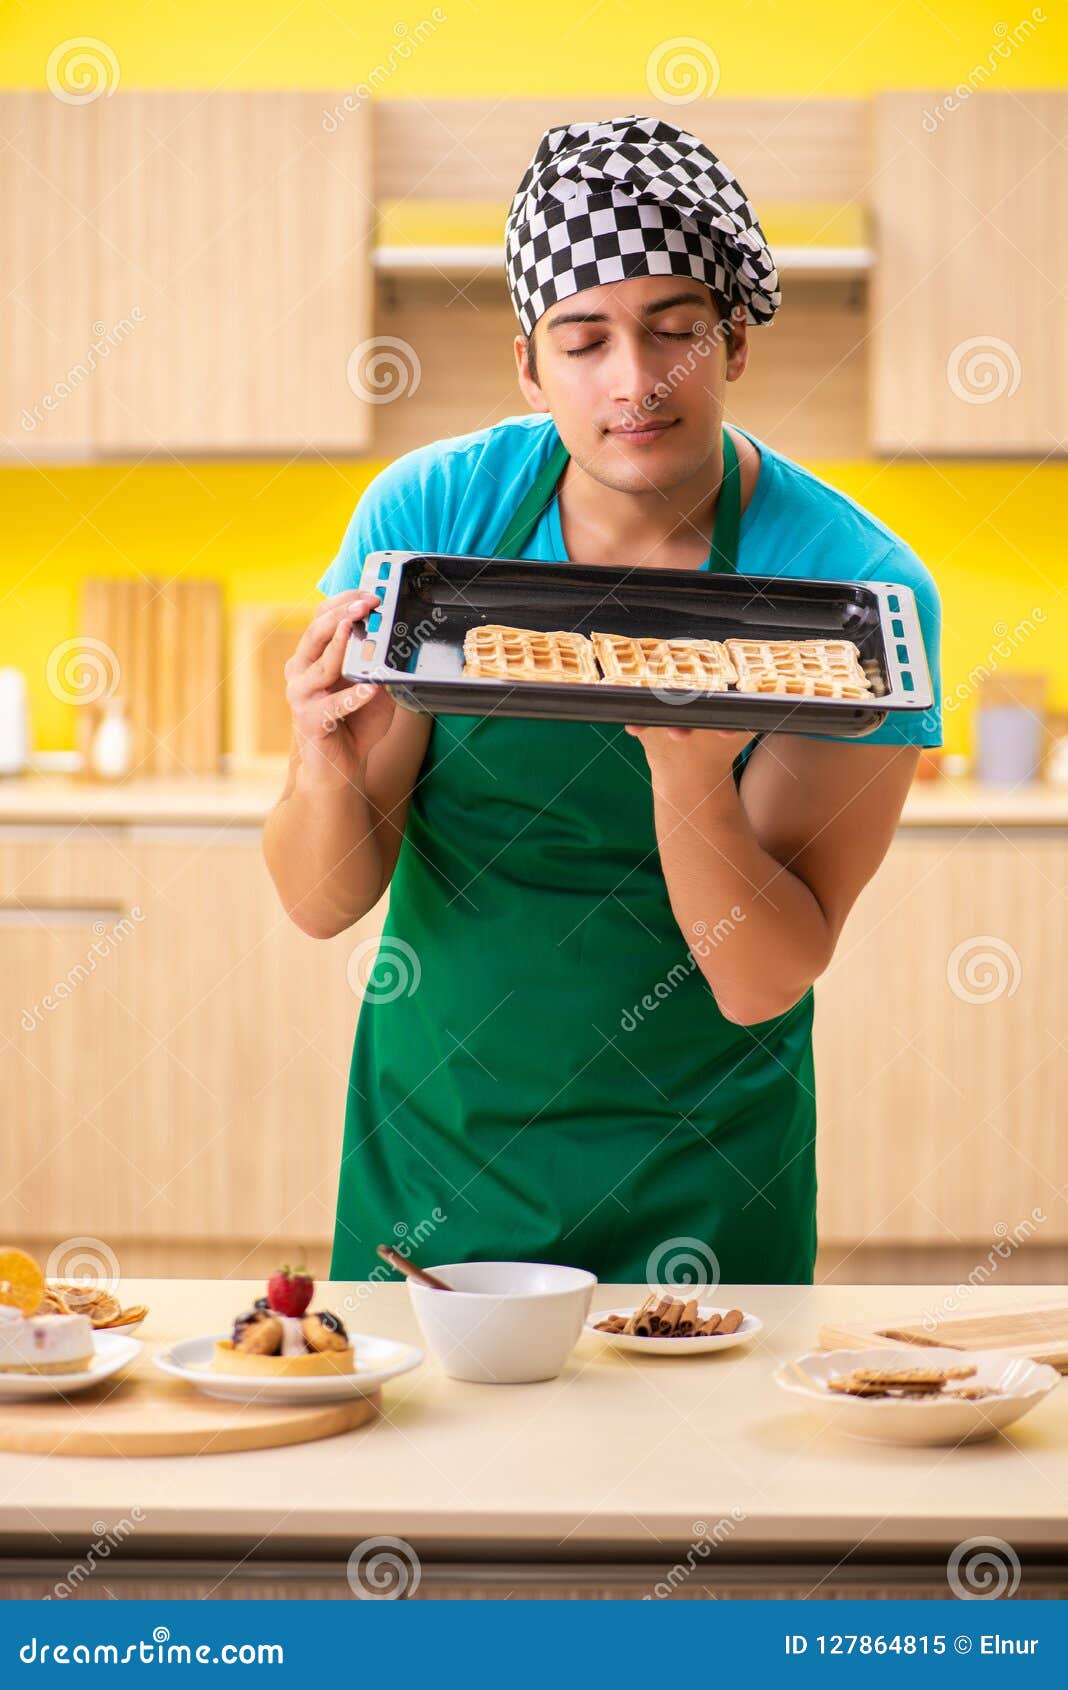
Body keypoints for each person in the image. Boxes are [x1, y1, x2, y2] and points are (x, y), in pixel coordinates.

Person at [264, 115, 942, 1288]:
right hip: (444, 1155)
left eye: (675, 331)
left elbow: (759, 975)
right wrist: (321, 760)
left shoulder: (851, 593)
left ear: (735, 342)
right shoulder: (434, 526)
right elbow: (324, 901)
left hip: (706, 1174)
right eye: (584, 341)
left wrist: (686, 769)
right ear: (529, 365)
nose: (635, 382)